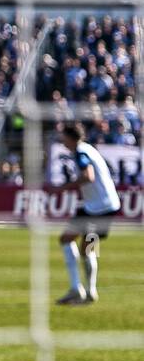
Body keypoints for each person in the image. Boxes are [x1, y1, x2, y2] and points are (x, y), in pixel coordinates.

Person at [56, 124, 121, 305]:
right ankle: (89, 291)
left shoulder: (81, 153)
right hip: (106, 206)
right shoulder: (88, 148)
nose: (62, 141)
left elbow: (88, 175)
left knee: (66, 239)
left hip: (96, 209)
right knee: (88, 248)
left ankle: (77, 289)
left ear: (70, 138)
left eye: (64, 137)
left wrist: (64, 187)